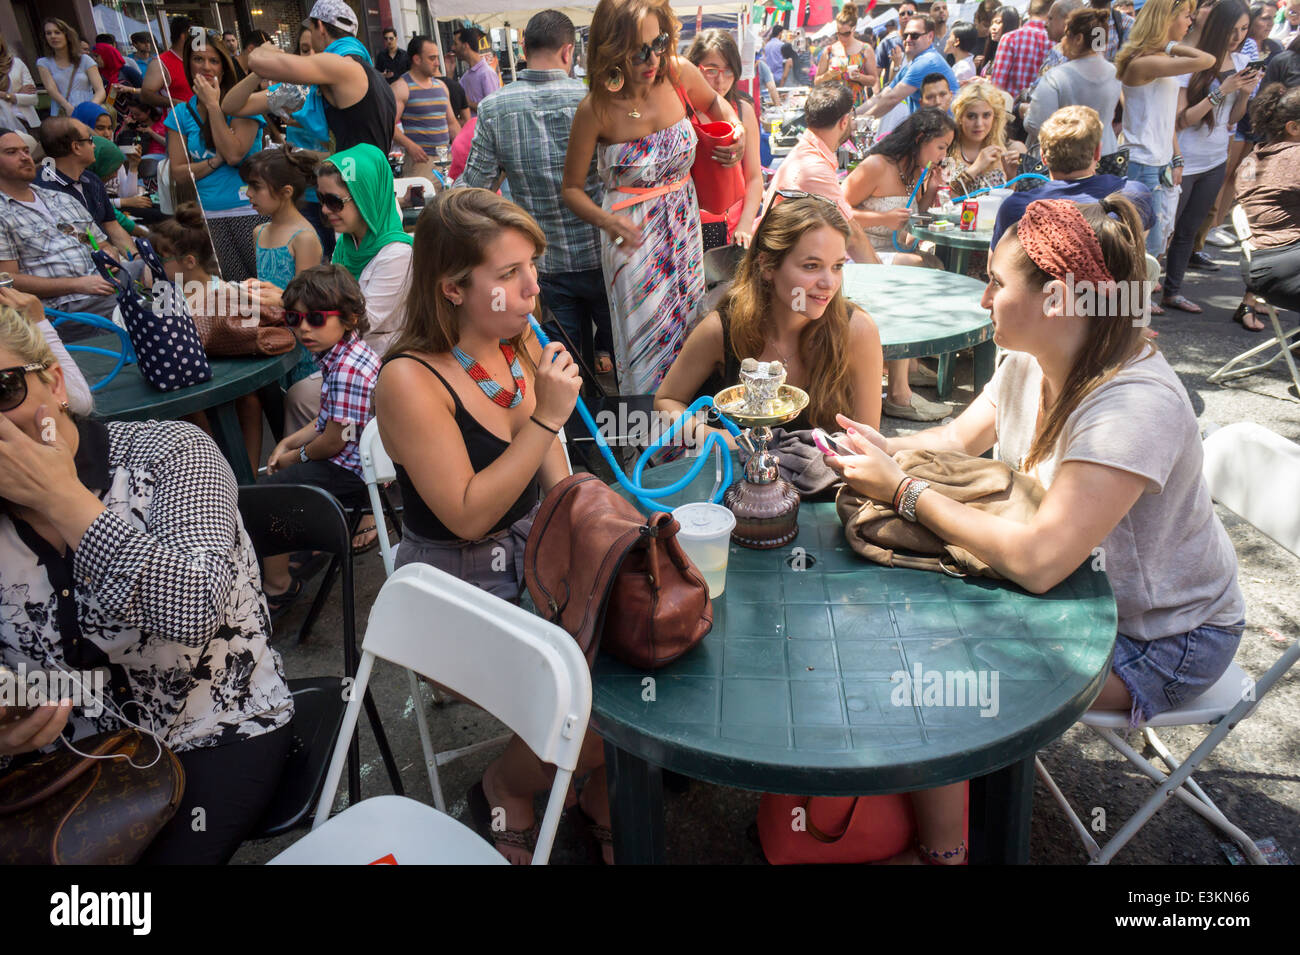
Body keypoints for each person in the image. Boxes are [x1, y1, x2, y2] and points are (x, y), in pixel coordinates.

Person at [826, 196, 1246, 864]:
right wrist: (873, 448)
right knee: (910, 624)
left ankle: (946, 850)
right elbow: (957, 438)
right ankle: (943, 795)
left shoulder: (1134, 406)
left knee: (946, 670)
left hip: (1162, 637)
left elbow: (1040, 561)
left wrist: (902, 491)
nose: (983, 299)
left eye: (997, 282)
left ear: (1058, 299)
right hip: (1074, 591)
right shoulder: (1032, 355)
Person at [0, 304, 295, 864]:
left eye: (3, 388)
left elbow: (191, 610)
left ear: (54, 382)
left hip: (207, 730)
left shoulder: (169, 453)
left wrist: (60, 499)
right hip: (59, 761)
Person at [372, 188, 610, 864]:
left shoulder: (517, 345)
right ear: (452, 287)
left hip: (533, 548)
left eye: (531, 265)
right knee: (599, 718)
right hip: (458, 578)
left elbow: (557, 483)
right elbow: (470, 511)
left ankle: (594, 797)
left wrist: (592, 547)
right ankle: (504, 784)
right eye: (508, 275)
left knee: (638, 661)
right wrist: (545, 418)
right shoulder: (410, 380)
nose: (533, 286)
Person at [561, 0, 744, 395]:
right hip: (633, 238)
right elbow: (572, 189)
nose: (652, 57)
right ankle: (652, 447)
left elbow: (714, 102)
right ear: (611, 49)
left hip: (683, 227)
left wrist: (733, 126)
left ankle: (693, 433)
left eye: (658, 42)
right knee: (643, 347)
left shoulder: (677, 73)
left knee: (690, 330)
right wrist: (607, 221)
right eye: (637, 50)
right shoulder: (595, 108)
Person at [655, 196, 884, 447]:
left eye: (837, 266)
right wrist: (718, 439)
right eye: (811, 266)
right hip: (739, 478)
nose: (829, 283)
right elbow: (666, 400)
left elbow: (868, 440)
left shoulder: (856, 330)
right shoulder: (722, 329)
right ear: (767, 265)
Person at [457, 11, 613, 375]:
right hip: (606, 252)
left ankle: (574, 431)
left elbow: (471, 192)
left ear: (524, 49)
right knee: (629, 366)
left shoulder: (495, 108)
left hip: (543, 265)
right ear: (568, 51)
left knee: (562, 368)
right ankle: (632, 429)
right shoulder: (595, 99)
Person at [258, 265, 381, 613]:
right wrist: (287, 442)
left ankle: (279, 584)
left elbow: (332, 442)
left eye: (315, 318)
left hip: (356, 474)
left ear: (349, 318)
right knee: (277, 479)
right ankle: (301, 546)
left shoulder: (347, 368)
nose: (304, 328)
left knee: (268, 496)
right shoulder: (341, 354)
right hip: (351, 460)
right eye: (294, 319)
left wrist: (294, 457)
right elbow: (327, 420)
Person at [842, 108, 956, 422]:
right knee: (918, 267)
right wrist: (882, 219)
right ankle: (899, 388)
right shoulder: (878, 166)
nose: (944, 155)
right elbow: (837, 207)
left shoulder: (915, 171)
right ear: (920, 139)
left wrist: (930, 191)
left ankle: (910, 363)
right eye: (941, 146)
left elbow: (909, 217)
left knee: (933, 265)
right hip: (857, 254)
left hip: (886, 251)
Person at [1164, 0, 1262, 312]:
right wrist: (1223, 89)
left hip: (1216, 157)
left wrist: (1244, 93)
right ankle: (1136, 299)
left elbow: (1234, 117)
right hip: (1184, 158)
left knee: (1189, 231)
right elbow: (1182, 120)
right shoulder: (1191, 58)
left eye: (1244, 29)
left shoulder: (1237, 59)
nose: (1238, 36)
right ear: (1217, 26)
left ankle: (1172, 291)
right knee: (1163, 231)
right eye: (1232, 29)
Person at [0, 128, 134, 324]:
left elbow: (103, 243)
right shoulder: (3, 212)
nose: (24, 157)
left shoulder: (60, 198)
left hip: (105, 284)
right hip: (67, 306)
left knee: (166, 279)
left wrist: (109, 254)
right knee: (153, 309)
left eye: (26, 151)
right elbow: (7, 280)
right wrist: (77, 285)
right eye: (11, 152)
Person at [1117, 0, 1218, 258]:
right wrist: (1166, 43)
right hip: (1142, 162)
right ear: (1165, 18)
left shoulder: (1157, 59)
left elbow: (1163, 116)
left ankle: (1139, 298)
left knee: (1152, 245)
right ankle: (1132, 298)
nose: (1190, 21)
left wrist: (1176, 155)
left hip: (1157, 162)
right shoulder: (1145, 61)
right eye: (1186, 15)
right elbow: (1207, 59)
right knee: (1140, 248)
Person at [164, 31, 266, 282]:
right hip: (209, 216)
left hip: (251, 210)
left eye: (214, 60)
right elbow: (178, 172)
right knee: (234, 292)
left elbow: (234, 154)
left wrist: (213, 105)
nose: (206, 67)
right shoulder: (181, 113)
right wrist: (214, 161)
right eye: (198, 59)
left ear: (224, 66)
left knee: (266, 287)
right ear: (188, 64)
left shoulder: (243, 103)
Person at [992, 106, 1156, 247]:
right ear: (1098, 152)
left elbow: (996, 267)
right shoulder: (1134, 195)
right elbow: (1137, 251)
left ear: (1043, 156)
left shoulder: (1015, 207)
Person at [246, 0, 397, 152]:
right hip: (373, 172)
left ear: (320, 26)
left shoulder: (337, 64)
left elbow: (256, 62)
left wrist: (265, 50)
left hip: (353, 174)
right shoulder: (369, 71)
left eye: (311, 30)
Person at [686, 29, 765, 250]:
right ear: (693, 69)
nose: (720, 80)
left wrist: (744, 225)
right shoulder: (680, 112)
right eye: (711, 70)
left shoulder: (742, 110)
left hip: (732, 227)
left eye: (729, 71)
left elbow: (754, 177)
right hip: (687, 226)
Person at [1233, 82, 1300, 321]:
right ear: (1293, 127)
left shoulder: (1256, 155)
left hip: (1260, 265)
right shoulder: (1294, 156)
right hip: (1283, 267)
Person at [34, 116, 137, 258]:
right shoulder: (42, 189)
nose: (94, 145)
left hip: (107, 257)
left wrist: (135, 257)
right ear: (76, 147)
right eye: (90, 140)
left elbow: (112, 225)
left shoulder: (91, 179)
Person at [1026, 8, 1123, 153]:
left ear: (1078, 39)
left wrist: (1026, 113)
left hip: (1067, 158)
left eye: (1066, 35)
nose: (1062, 41)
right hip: (1105, 154)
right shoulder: (1115, 73)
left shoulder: (1056, 76)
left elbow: (1036, 123)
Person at [393, 35, 460, 182]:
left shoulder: (441, 86)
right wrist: (410, 146)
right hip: (421, 163)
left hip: (447, 159)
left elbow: (452, 124)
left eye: (437, 57)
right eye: (432, 58)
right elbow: (387, 125)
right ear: (417, 59)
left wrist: (462, 151)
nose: (437, 63)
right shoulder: (402, 87)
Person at [942, 80, 1026, 197]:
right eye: (971, 116)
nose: (979, 124)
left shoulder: (1003, 149)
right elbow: (944, 200)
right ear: (960, 117)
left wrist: (1011, 176)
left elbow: (1006, 204)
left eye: (986, 115)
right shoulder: (947, 150)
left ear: (994, 117)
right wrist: (976, 167)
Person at [862, 16, 958, 118]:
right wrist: (854, 115)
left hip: (945, 129)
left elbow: (892, 99)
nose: (908, 40)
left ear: (930, 36)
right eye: (905, 35)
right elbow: (883, 95)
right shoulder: (914, 62)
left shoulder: (927, 61)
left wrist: (859, 122)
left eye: (914, 35)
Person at [37, 19, 104, 118]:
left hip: (88, 111)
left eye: (57, 32)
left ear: (66, 35)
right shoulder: (44, 63)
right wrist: (67, 107)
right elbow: (51, 90)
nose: (53, 36)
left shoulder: (85, 60)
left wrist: (90, 108)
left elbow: (100, 90)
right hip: (63, 113)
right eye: (48, 33)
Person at [815, 2, 878, 109]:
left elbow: (873, 80)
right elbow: (817, 81)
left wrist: (860, 77)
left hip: (857, 105)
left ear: (854, 29)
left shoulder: (865, 49)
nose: (842, 37)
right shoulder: (829, 50)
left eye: (846, 33)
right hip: (833, 105)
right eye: (839, 33)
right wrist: (828, 75)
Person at [989, 0, 1053, 97]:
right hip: (1043, 107)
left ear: (1028, 11)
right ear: (1051, 13)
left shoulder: (1010, 38)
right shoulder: (1056, 42)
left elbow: (997, 85)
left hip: (1010, 108)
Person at [140, 16, 194, 111]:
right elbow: (145, 95)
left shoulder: (196, 59)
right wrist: (177, 103)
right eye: (195, 34)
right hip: (179, 122)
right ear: (183, 36)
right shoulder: (160, 63)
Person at [454, 27, 501, 111]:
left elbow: (493, 109)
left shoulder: (487, 73)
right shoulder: (465, 77)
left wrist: (469, 103)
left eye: (455, 44)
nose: (453, 48)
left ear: (465, 46)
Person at [0, 35, 37, 132]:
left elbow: (33, 98)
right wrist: (18, 95)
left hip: (25, 122)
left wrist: (6, 96)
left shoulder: (16, 64)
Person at [978, 6, 1021, 77]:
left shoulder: (1013, 53)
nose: (993, 27)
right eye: (992, 23)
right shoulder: (993, 51)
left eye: (998, 22)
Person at [946, 20, 981, 85]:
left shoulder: (963, 70)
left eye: (949, 37)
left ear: (956, 42)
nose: (947, 40)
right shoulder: (964, 64)